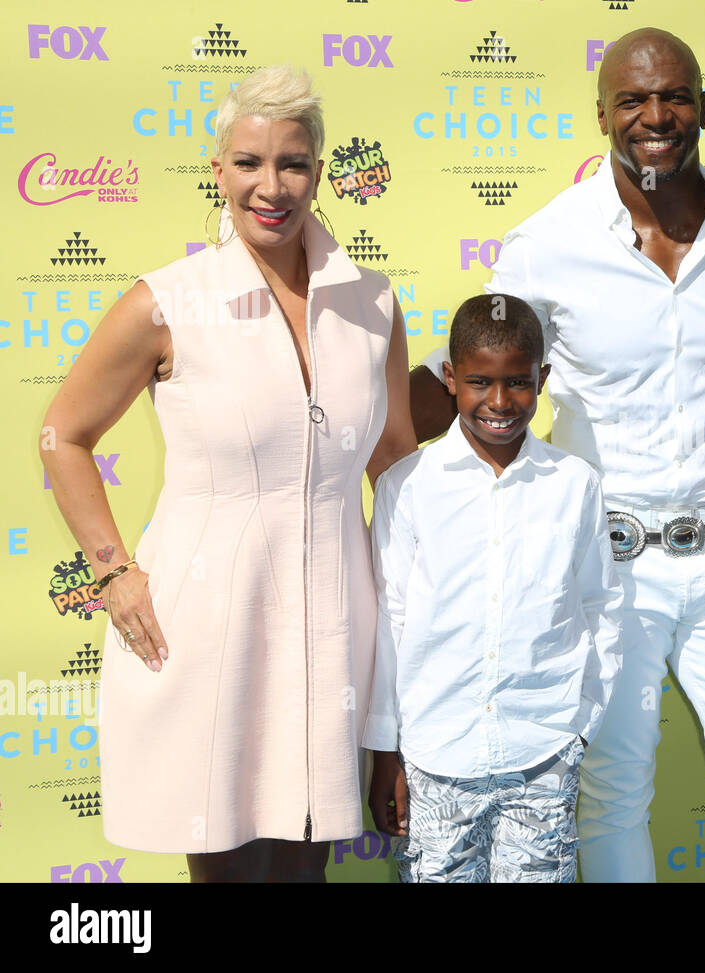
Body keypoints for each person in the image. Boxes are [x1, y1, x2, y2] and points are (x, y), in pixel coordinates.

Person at [409, 28, 705, 881]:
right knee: (613, 792)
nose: (655, 116)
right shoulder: (545, 242)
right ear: (602, 115)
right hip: (606, 562)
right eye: (633, 100)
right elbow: (486, 374)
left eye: (674, 96)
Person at [38, 65, 416, 882]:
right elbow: (62, 434)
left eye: (292, 162)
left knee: (305, 871)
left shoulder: (373, 305)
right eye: (248, 163)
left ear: (320, 169)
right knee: (227, 873)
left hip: (337, 623)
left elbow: (399, 471)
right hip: (209, 621)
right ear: (218, 170)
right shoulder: (166, 301)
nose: (270, 186)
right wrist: (114, 572)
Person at [365, 295, 622, 883]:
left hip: (544, 749)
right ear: (450, 378)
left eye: (518, 383)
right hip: (435, 755)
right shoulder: (407, 487)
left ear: (543, 380)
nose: (500, 403)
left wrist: (582, 724)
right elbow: (391, 622)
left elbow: (598, 606)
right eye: (480, 382)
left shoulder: (575, 484)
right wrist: (387, 751)